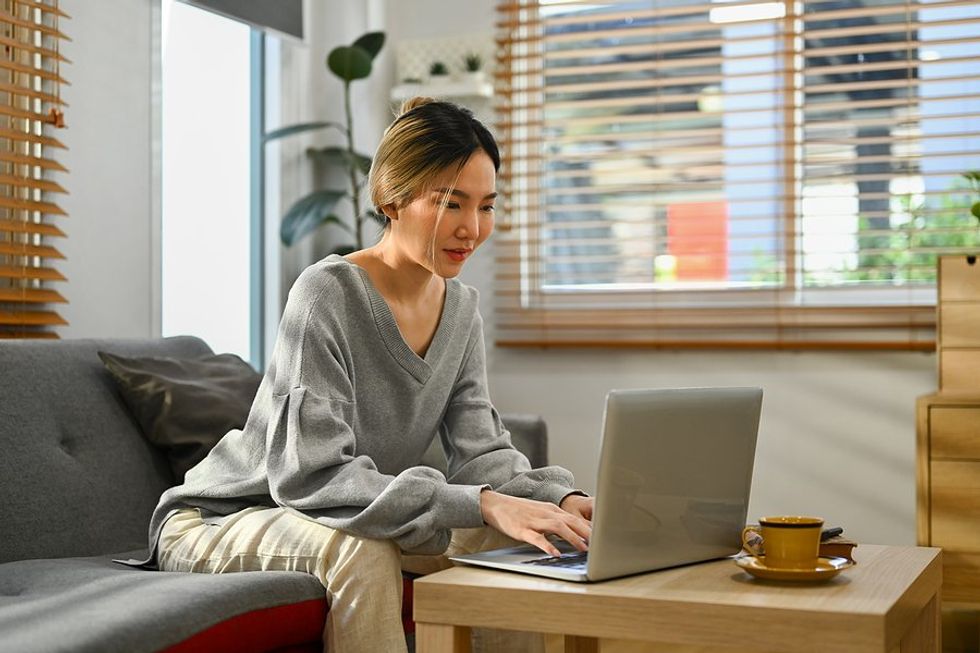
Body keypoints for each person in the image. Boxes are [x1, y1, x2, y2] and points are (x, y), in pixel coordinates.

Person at [140, 97, 593, 653]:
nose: (472, 229)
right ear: (391, 198)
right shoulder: (325, 293)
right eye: (451, 203)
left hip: (326, 514)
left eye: (487, 206)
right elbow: (309, 475)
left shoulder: (461, 309)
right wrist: (479, 501)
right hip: (223, 519)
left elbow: (482, 452)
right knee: (365, 548)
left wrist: (560, 499)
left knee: (518, 538)